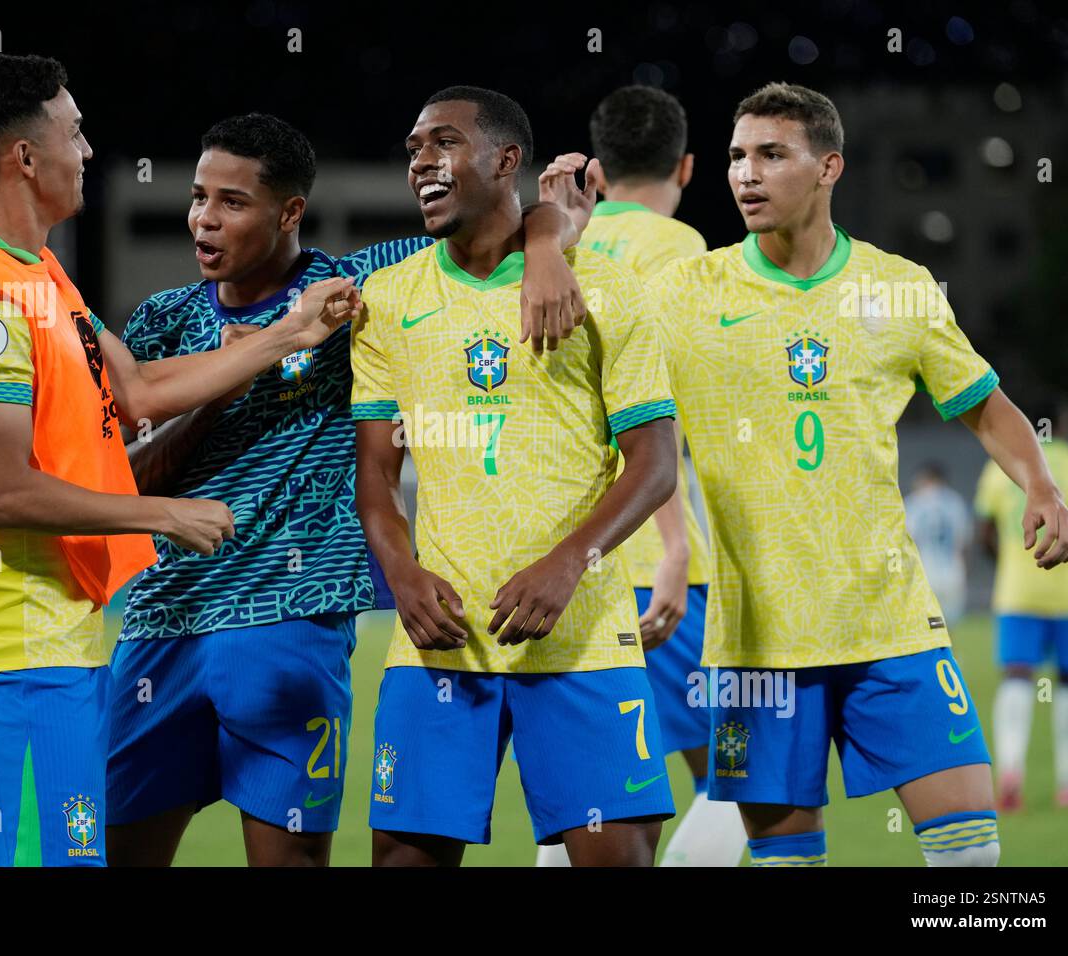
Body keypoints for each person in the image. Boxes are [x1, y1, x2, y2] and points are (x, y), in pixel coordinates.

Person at [542, 81, 1068, 867]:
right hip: (758, 643)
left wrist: (1041, 484)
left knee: (972, 858)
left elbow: (986, 404)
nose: (746, 175)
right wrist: (562, 248)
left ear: (829, 166)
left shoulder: (896, 288)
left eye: (771, 154)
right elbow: (574, 360)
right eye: (735, 157)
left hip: (889, 624)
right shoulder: (686, 292)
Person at [0, 54, 352, 866]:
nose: (88, 150)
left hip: (55, 643)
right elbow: (1, 492)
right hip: (9, 652)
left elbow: (140, 390)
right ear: (26, 159)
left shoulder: (35, 272)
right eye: (74, 133)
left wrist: (289, 334)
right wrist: (161, 514)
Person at [104, 112, 586, 867]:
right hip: (164, 624)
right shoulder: (164, 323)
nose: (204, 218)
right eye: (199, 197)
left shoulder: (365, 288)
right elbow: (123, 482)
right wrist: (225, 384)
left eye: (232, 202)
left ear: (289, 212)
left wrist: (552, 237)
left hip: (290, 624)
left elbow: (494, 220)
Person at [353, 86, 680, 867]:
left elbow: (656, 462)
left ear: (506, 160)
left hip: (582, 642)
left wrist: (570, 563)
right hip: (442, 641)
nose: (422, 162)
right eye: (412, 149)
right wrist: (400, 574)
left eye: (443, 143)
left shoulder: (605, 287)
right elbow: (375, 476)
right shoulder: (388, 300)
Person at [534, 85, 744, 868]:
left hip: (566, 558)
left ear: (600, 162)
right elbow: (659, 408)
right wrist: (677, 548)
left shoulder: (551, 243)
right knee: (740, 770)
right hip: (655, 561)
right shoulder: (680, 249)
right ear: (687, 165)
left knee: (590, 791)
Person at [976, 397, 1068, 810]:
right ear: (1064, 424)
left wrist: (1011, 559)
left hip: (1017, 593)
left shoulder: (997, 471)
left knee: (1016, 679)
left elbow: (984, 534)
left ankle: (1010, 771)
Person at [905, 462, 973, 625]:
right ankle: (951, 651)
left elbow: (908, 541)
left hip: (925, 573)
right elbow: (963, 541)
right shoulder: (954, 501)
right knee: (949, 625)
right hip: (952, 572)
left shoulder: (914, 502)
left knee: (931, 627)